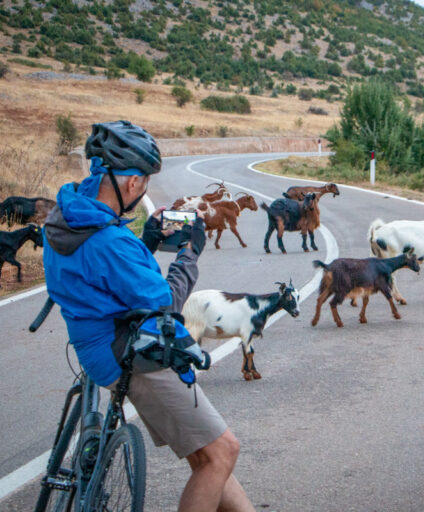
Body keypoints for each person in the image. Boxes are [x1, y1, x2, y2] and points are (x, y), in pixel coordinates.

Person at [43, 120, 256, 512]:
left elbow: (105, 275)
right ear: (131, 184)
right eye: (143, 181)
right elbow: (166, 302)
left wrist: (148, 240)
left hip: (93, 339)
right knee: (221, 453)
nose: (142, 187)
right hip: (125, 350)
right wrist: (190, 251)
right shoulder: (109, 241)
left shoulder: (69, 213)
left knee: (206, 455)